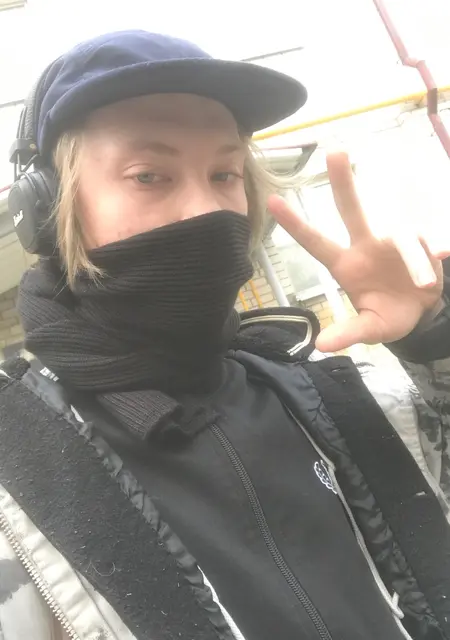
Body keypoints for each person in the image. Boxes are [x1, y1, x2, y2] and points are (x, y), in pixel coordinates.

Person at [1, 29, 450, 640]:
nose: (206, 211)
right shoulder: (18, 471)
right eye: (148, 175)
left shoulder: (328, 400)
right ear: (48, 210)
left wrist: (432, 338)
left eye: (224, 173)